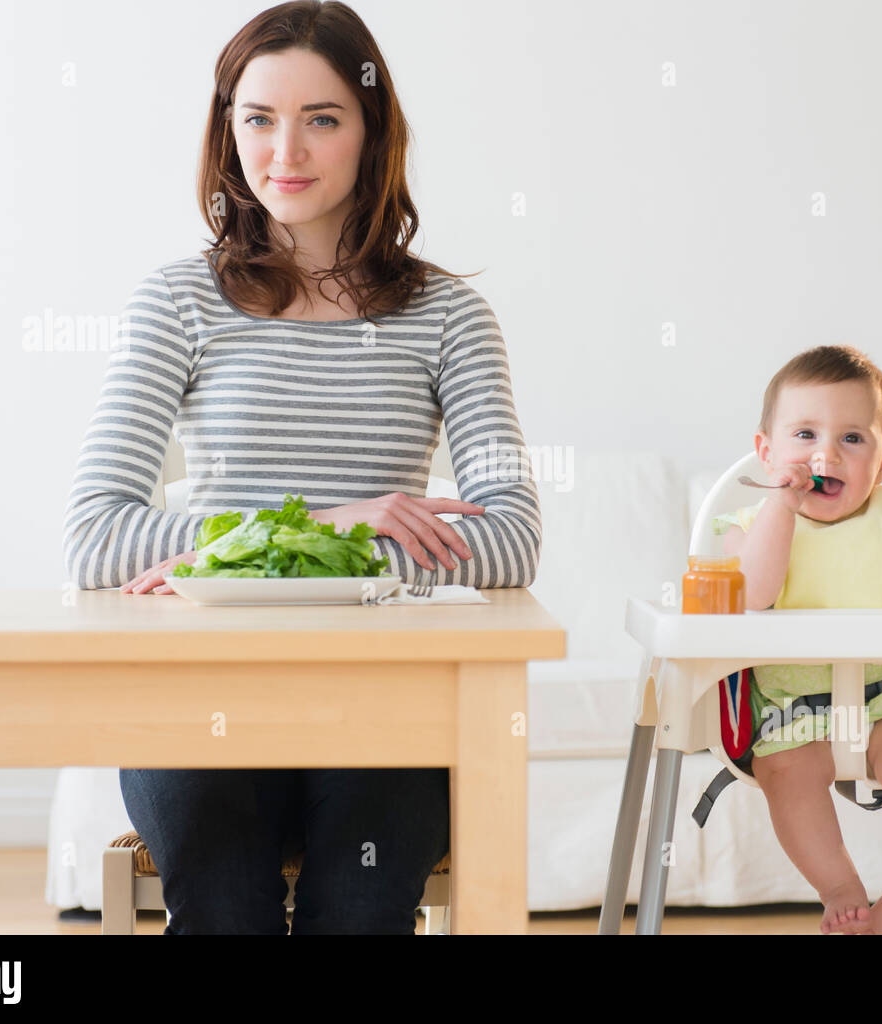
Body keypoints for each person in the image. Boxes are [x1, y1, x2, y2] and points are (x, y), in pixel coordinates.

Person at [61, 1, 541, 933]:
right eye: (259, 118)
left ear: (372, 132)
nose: (287, 149)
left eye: (323, 117)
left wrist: (226, 558)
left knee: (357, 908)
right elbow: (96, 536)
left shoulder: (450, 317)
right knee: (226, 906)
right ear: (227, 131)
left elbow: (513, 538)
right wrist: (332, 527)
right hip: (201, 704)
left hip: (385, 713)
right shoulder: (177, 302)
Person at [714, 345, 882, 935]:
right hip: (792, 708)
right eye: (806, 433)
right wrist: (781, 508)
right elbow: (754, 593)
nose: (825, 454)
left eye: (852, 439)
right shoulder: (753, 526)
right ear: (767, 453)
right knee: (786, 774)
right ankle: (838, 884)